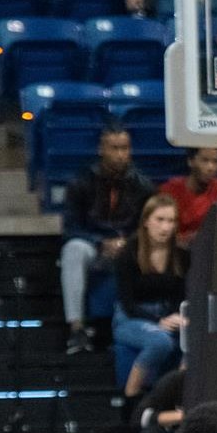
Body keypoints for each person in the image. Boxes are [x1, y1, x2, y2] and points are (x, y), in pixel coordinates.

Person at [60, 127, 154, 356]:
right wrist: (101, 242)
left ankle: (131, 324)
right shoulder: (80, 182)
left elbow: (148, 226)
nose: (121, 154)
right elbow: (70, 228)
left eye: (125, 148)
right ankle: (77, 328)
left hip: (128, 247)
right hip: (92, 245)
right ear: (101, 149)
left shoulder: (143, 185)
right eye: (115, 148)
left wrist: (125, 243)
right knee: (73, 250)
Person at [114, 195, 187, 401]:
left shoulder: (181, 256)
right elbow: (127, 303)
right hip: (130, 318)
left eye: (171, 221)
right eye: (160, 219)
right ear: (146, 221)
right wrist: (159, 321)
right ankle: (131, 398)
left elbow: (180, 296)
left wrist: (177, 317)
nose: (165, 227)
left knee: (195, 338)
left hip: (166, 313)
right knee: (160, 342)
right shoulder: (128, 253)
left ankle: (178, 397)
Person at [156, 146, 217, 249]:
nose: (211, 167)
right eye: (205, 160)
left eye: (215, 162)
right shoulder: (169, 190)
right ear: (191, 161)